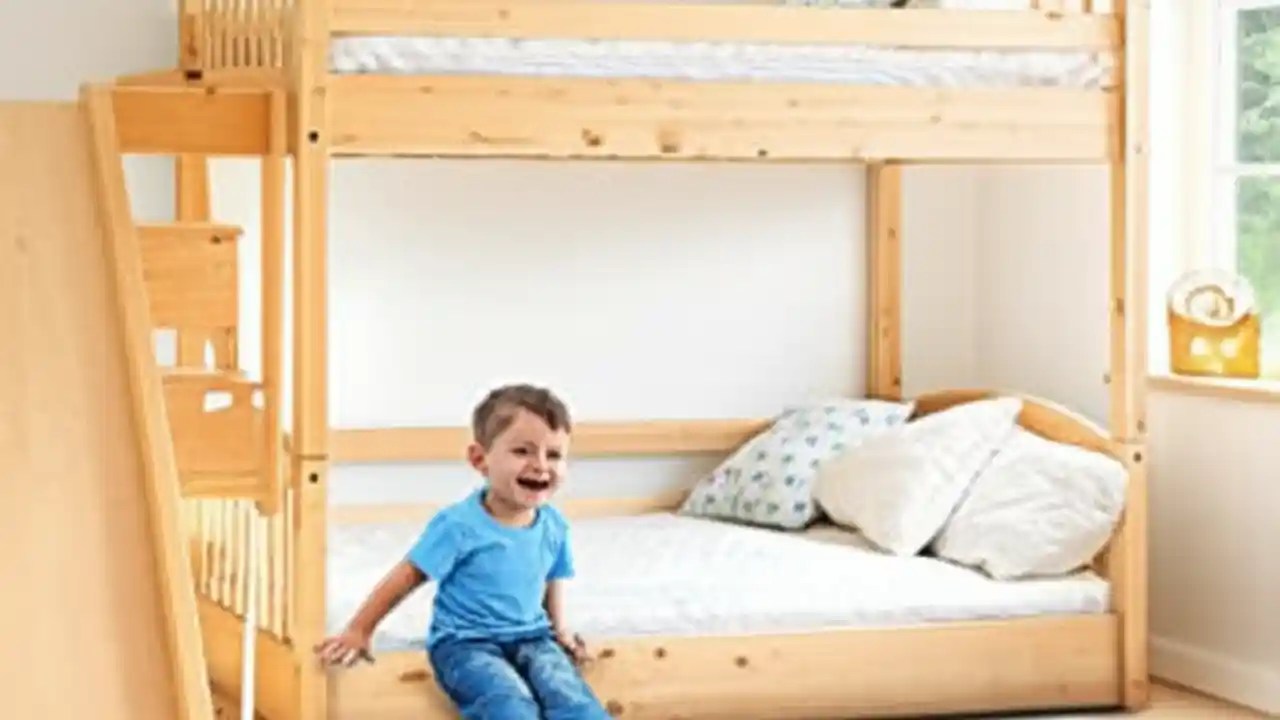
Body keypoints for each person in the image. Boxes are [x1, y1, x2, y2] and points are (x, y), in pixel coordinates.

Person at [315, 384, 611, 719]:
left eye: (554, 454)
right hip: (466, 643)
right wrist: (360, 630)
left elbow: (551, 577)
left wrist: (559, 631)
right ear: (480, 459)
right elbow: (408, 575)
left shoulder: (553, 525)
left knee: (570, 696)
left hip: (532, 637)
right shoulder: (459, 525)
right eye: (522, 451)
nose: (541, 465)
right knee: (509, 702)